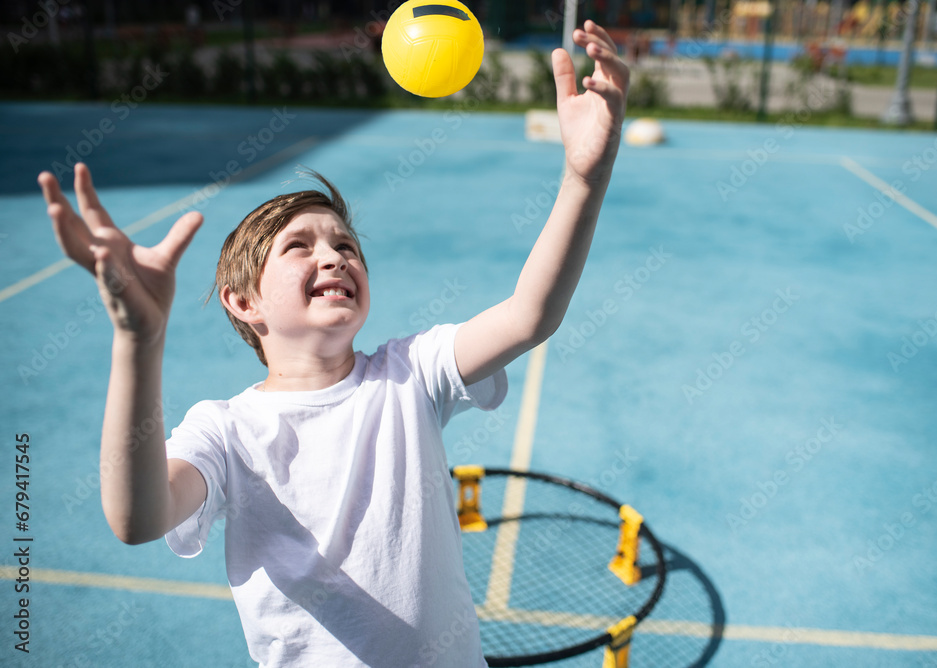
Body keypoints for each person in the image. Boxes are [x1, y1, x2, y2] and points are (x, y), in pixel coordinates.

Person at [37, 20, 629, 668]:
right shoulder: (226, 431)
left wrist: (583, 177)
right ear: (244, 302)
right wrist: (137, 340)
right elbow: (137, 518)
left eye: (346, 245)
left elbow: (529, 315)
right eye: (301, 246)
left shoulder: (412, 372)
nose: (335, 256)